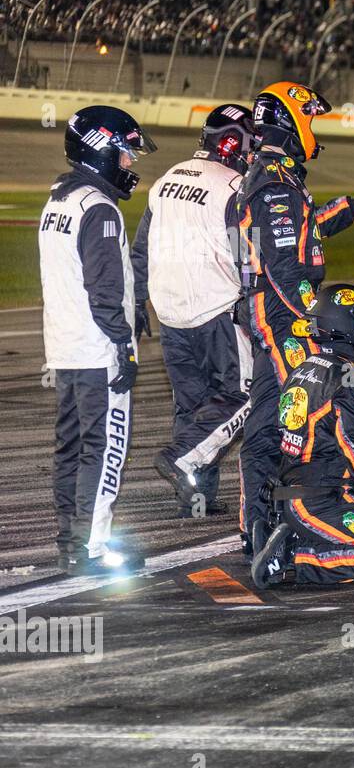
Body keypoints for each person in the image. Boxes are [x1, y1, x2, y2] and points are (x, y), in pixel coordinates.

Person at [236, 81, 354, 555]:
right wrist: (318, 319)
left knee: (269, 420)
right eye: (309, 118)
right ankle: (314, 518)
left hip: (271, 315)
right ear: (290, 119)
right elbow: (285, 268)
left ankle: (259, 527)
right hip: (284, 318)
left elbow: (307, 231)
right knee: (306, 415)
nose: (313, 128)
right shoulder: (274, 184)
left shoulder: (276, 177)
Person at [40, 105, 157, 574]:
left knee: (69, 447)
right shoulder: (99, 207)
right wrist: (125, 344)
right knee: (103, 447)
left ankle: (71, 541)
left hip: (64, 347)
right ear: (100, 150)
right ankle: (92, 546)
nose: (129, 163)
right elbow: (105, 289)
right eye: (125, 152)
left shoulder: (59, 201)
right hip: (97, 349)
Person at [251, 283, 354, 587]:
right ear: (347, 324)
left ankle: (287, 534)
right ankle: (292, 560)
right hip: (321, 500)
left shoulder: (307, 366)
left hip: (295, 494)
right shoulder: (352, 379)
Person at [131, 104, 256, 517]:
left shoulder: (166, 180)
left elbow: (142, 247)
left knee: (193, 406)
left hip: (169, 313)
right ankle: (182, 456)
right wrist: (256, 302)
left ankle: (196, 501)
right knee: (242, 396)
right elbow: (247, 255)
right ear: (233, 142)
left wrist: (134, 301)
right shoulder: (236, 185)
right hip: (217, 309)